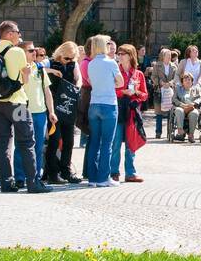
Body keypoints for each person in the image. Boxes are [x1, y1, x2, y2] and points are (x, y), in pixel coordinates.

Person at [0, 21, 48, 193]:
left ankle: (6, 181)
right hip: (17, 103)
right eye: (17, 32)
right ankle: (33, 182)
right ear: (9, 34)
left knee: (3, 142)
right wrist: (26, 75)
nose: (19, 35)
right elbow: (23, 80)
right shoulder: (16, 51)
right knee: (27, 141)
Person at [14, 42, 55, 189]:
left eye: (34, 51)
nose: (34, 53)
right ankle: (19, 177)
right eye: (30, 50)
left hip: (40, 112)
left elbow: (47, 91)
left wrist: (51, 111)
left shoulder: (39, 68)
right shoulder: (16, 68)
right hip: (20, 109)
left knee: (37, 146)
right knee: (20, 145)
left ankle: (35, 176)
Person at [84, 35, 121, 188]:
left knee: (94, 141)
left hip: (94, 103)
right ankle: (103, 177)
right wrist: (110, 82)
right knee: (107, 143)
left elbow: (92, 81)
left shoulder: (91, 64)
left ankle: (92, 178)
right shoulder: (111, 62)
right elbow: (120, 82)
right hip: (108, 103)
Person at [44, 41, 83, 184]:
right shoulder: (50, 62)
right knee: (53, 141)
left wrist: (77, 86)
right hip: (54, 105)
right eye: (66, 58)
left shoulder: (74, 64)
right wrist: (53, 71)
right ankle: (52, 173)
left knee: (69, 141)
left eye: (72, 58)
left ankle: (66, 170)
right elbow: (38, 69)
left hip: (68, 105)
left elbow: (79, 78)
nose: (69, 61)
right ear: (60, 54)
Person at [113, 44, 148, 181]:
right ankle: (114, 172)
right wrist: (123, 92)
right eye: (119, 53)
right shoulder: (115, 71)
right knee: (115, 143)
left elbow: (145, 94)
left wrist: (136, 93)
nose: (119, 56)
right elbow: (110, 90)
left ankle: (130, 173)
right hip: (118, 109)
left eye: (123, 54)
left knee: (131, 143)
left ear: (130, 56)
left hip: (132, 111)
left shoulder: (138, 74)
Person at [149, 49, 177, 139]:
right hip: (159, 91)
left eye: (170, 55)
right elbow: (153, 76)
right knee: (159, 113)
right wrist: (160, 82)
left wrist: (171, 83)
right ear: (162, 56)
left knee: (170, 112)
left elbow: (176, 78)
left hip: (170, 91)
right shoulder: (157, 65)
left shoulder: (174, 66)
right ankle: (158, 132)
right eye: (167, 55)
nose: (169, 57)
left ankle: (170, 131)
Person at [172, 71, 201, 142]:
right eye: (185, 80)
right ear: (182, 82)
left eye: (189, 80)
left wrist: (194, 103)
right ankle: (180, 131)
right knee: (178, 110)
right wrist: (181, 104)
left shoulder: (196, 89)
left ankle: (191, 135)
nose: (187, 81)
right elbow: (174, 99)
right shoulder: (178, 89)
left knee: (195, 113)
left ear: (192, 81)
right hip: (182, 107)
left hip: (192, 108)